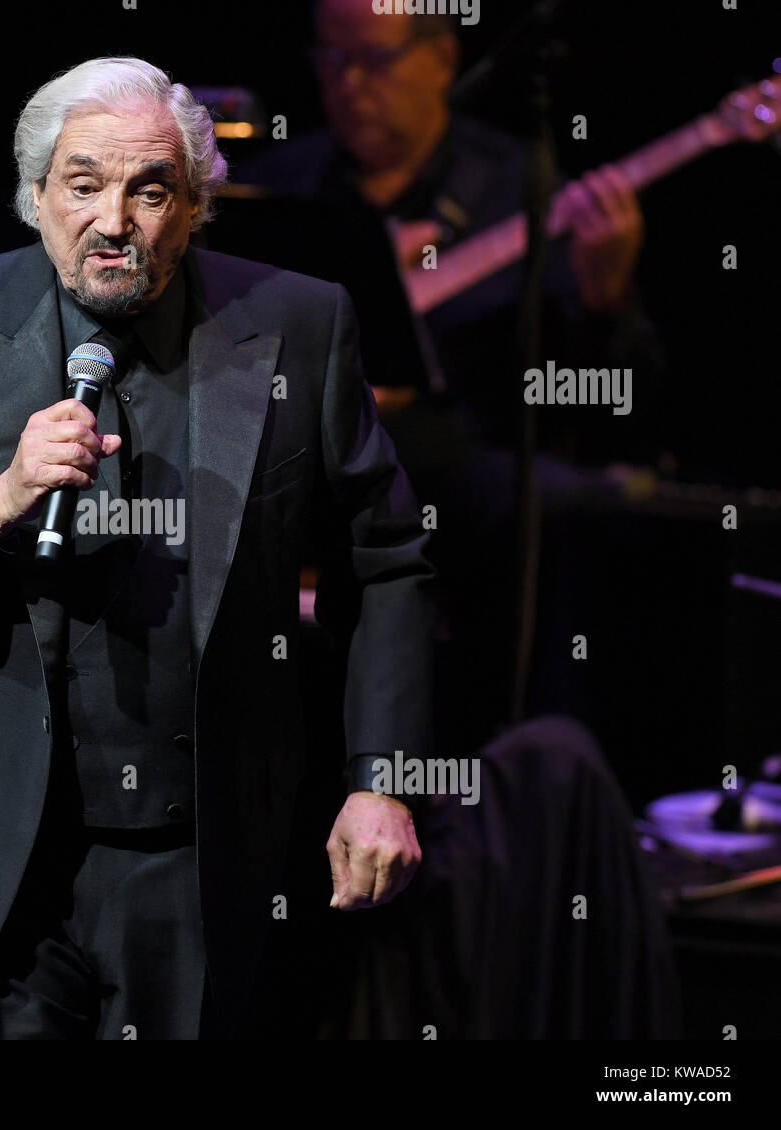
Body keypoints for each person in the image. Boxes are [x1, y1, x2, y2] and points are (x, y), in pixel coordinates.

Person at [0, 55, 436, 1040]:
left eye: (150, 190)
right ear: (35, 196)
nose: (113, 220)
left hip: (196, 857)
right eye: (84, 184)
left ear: (194, 206)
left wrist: (380, 780)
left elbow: (387, 557)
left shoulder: (299, 325)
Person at [231, 0, 662, 751]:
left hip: (455, 464)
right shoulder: (279, 184)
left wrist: (606, 298)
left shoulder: (520, 186)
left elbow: (623, 394)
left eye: (374, 59)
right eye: (331, 60)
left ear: (441, 58)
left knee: (565, 506)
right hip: (296, 453)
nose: (350, 84)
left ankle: (545, 774)